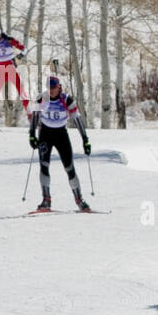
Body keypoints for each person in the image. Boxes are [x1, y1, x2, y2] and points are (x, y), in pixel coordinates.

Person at [30, 75, 92, 212]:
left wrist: (85, 140)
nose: (51, 91)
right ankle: (46, 200)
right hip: (45, 134)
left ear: (59, 87)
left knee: (69, 168)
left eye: (53, 88)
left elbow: (77, 119)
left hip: (61, 135)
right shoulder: (41, 98)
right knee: (44, 166)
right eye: (49, 88)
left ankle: (79, 199)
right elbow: (35, 116)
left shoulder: (66, 99)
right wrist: (31, 135)